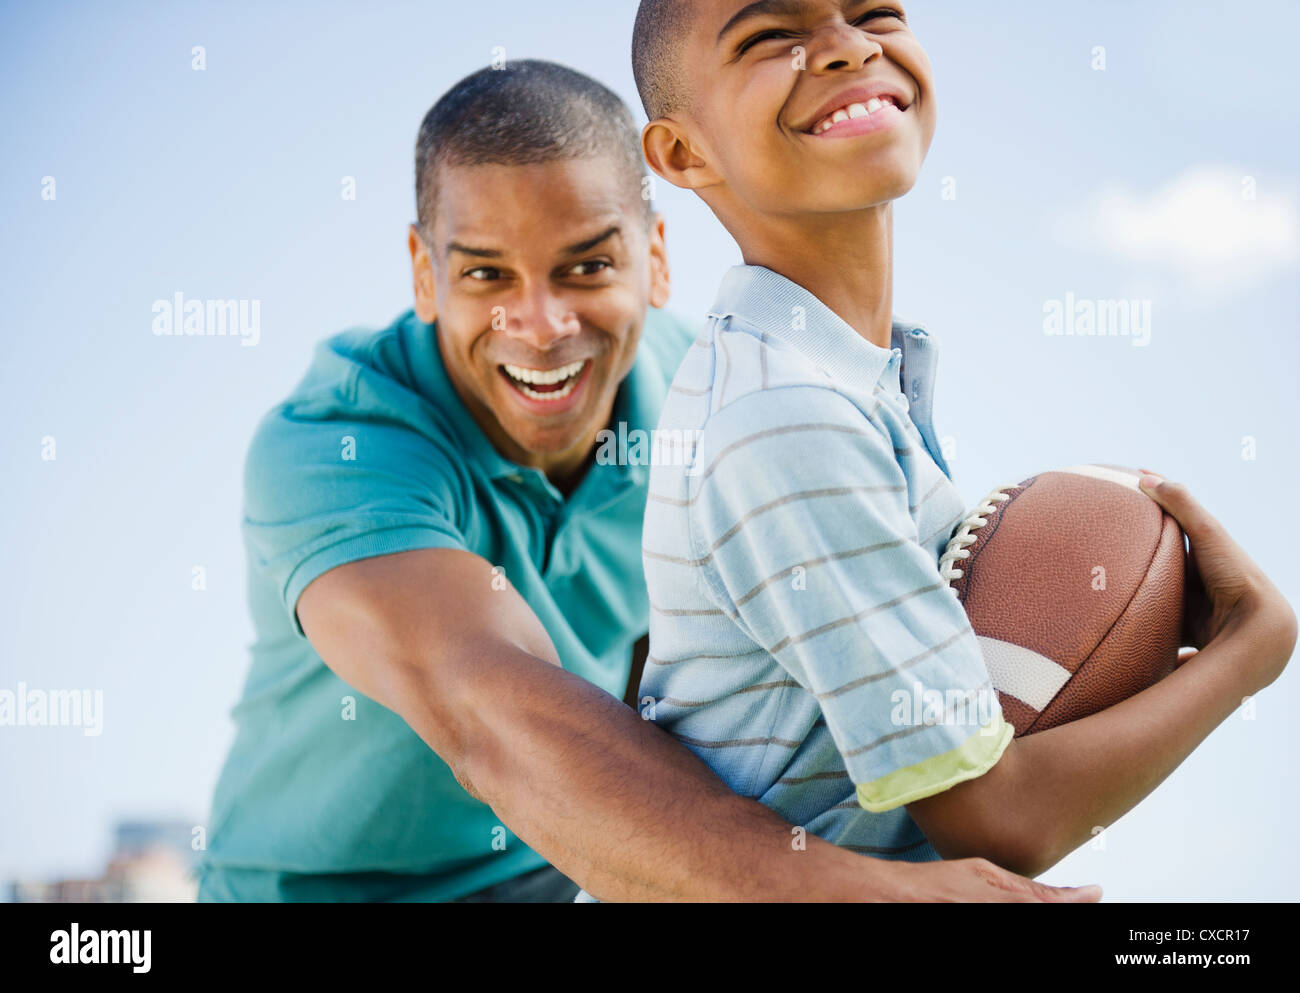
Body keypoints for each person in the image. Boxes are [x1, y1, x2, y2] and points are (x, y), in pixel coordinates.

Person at [197, 57, 1117, 904]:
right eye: (486, 274)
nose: (542, 322)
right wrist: (861, 895)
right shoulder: (335, 443)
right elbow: (486, 709)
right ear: (425, 275)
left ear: (658, 259)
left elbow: (702, 707)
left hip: (573, 879)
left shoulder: (722, 407)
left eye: (587, 266)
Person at [609, 0, 1297, 896]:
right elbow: (994, 819)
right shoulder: (786, 417)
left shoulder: (838, 369)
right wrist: (1250, 652)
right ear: (682, 154)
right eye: (769, 37)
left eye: (873, 13)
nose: (848, 48)